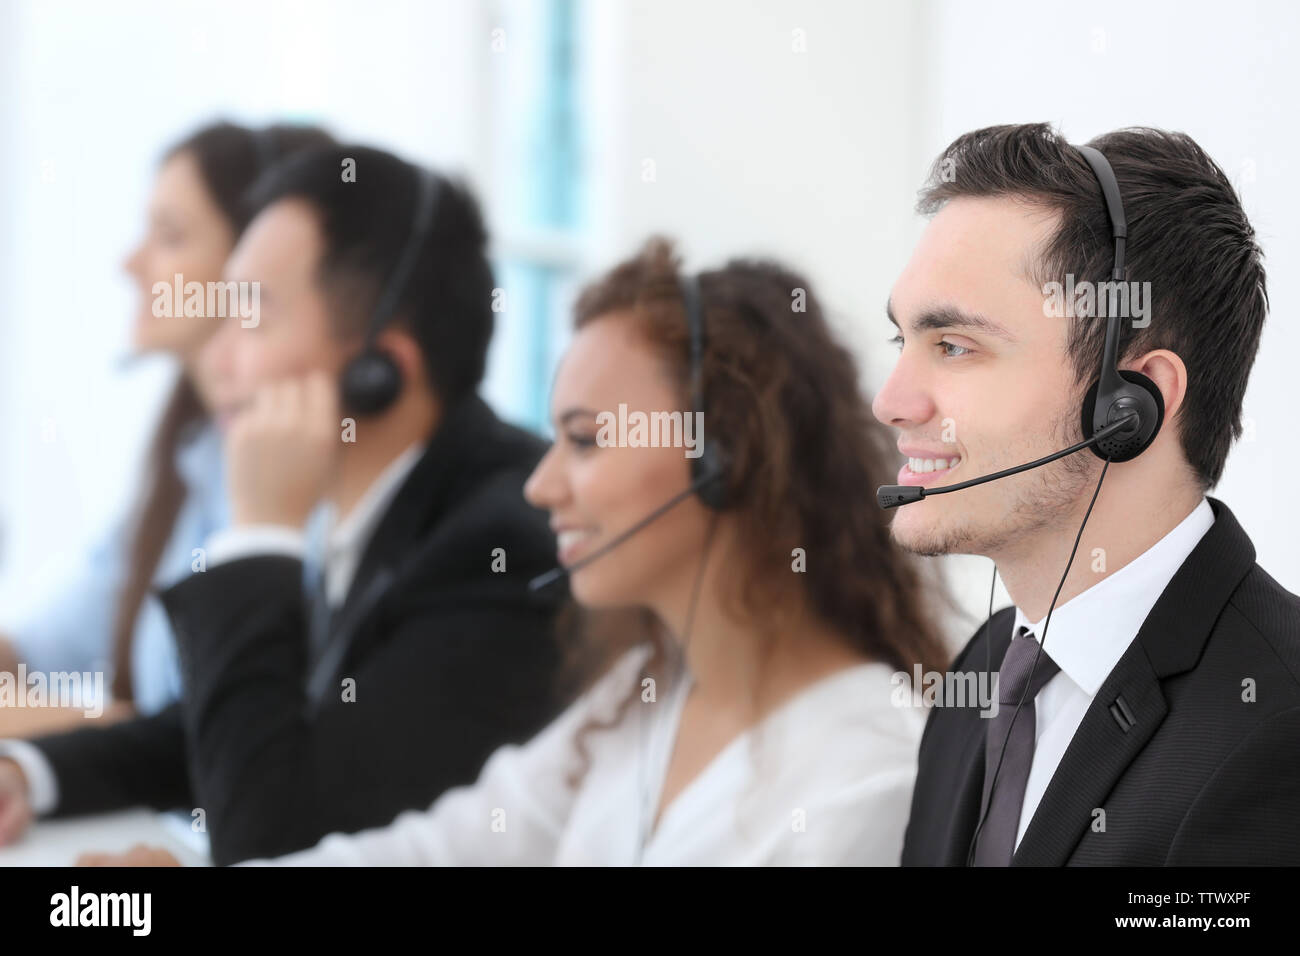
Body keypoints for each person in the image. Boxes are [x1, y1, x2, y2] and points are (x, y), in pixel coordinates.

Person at [184, 236, 951, 867]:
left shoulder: (864, 781)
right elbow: (432, 853)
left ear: (723, 458)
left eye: (585, 440)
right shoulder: (640, 696)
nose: (540, 486)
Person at [0, 146, 569, 865]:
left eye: (252, 318)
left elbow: (269, 841)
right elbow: (236, 725)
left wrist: (261, 530)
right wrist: (29, 772)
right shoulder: (381, 503)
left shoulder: (498, 554)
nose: (220, 359)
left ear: (379, 369)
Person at [877, 123, 1300, 865]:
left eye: (953, 346)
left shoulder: (1277, 723)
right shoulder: (981, 672)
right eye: (901, 342)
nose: (892, 401)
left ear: (1129, 405)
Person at [0, 121, 333, 728]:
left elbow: (199, 744)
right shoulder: (192, 457)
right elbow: (29, 658)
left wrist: (103, 736)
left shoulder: (312, 475)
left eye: (170, 236)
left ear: (253, 261)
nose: (131, 264)